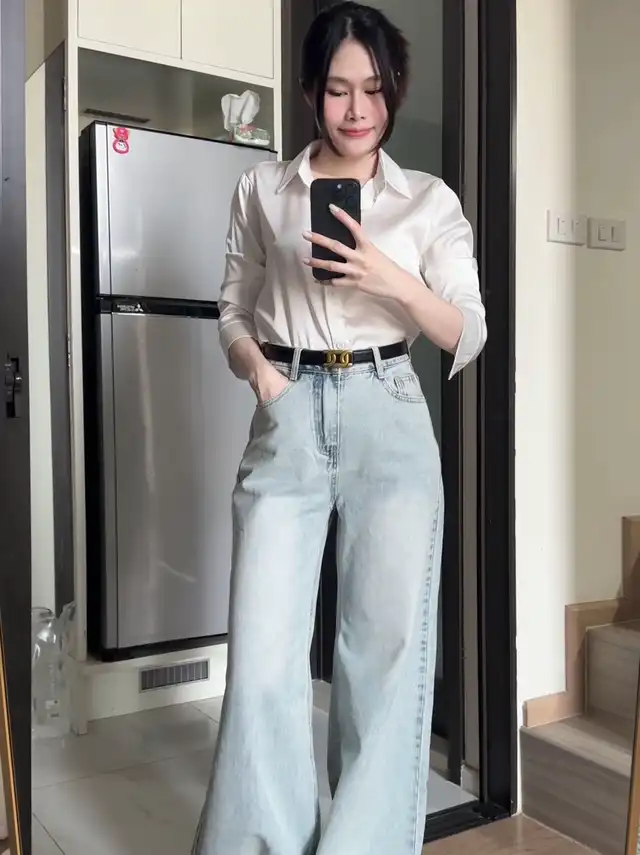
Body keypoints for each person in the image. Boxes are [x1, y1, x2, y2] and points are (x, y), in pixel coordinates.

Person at [192, 3, 486, 854]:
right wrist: (261, 374)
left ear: (395, 91)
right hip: (288, 409)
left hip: (387, 409)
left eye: (374, 89)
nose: (357, 110)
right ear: (310, 93)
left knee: (382, 661)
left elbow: (466, 332)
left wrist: (388, 276)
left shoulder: (427, 200)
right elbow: (231, 308)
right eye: (337, 89)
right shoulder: (264, 190)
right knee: (262, 658)